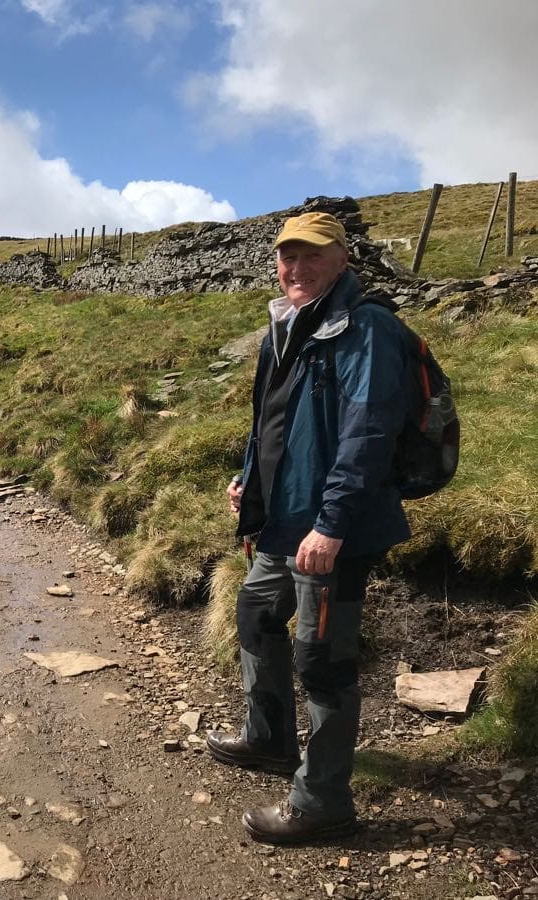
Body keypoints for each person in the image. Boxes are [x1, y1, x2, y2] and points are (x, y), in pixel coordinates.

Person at [206, 211, 412, 844]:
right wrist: (250, 484)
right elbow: (267, 423)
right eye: (287, 257)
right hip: (282, 521)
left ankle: (323, 801)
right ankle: (269, 738)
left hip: (331, 531)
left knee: (322, 661)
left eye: (312, 256)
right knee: (255, 614)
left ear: (342, 259)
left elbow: (368, 435)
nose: (296, 269)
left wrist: (331, 526)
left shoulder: (366, 329)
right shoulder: (286, 328)